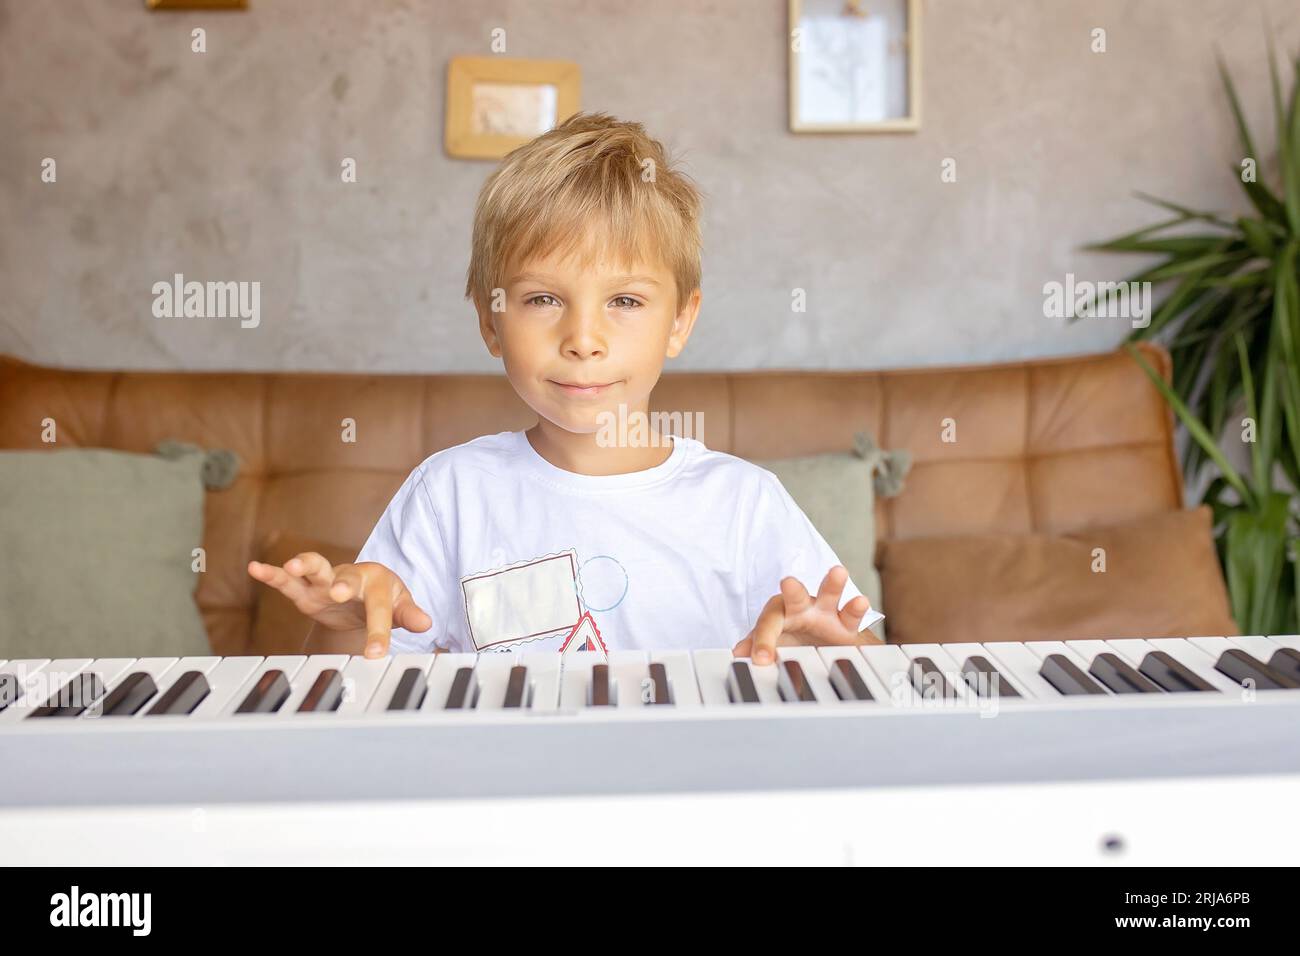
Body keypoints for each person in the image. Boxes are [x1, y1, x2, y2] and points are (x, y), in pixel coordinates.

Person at [248, 112, 883, 667]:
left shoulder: (743, 503)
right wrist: (345, 625)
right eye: (543, 298)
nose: (584, 338)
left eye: (626, 300)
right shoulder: (450, 494)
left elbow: (867, 669)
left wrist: (833, 655)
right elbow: (356, 691)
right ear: (491, 322)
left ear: (680, 322)